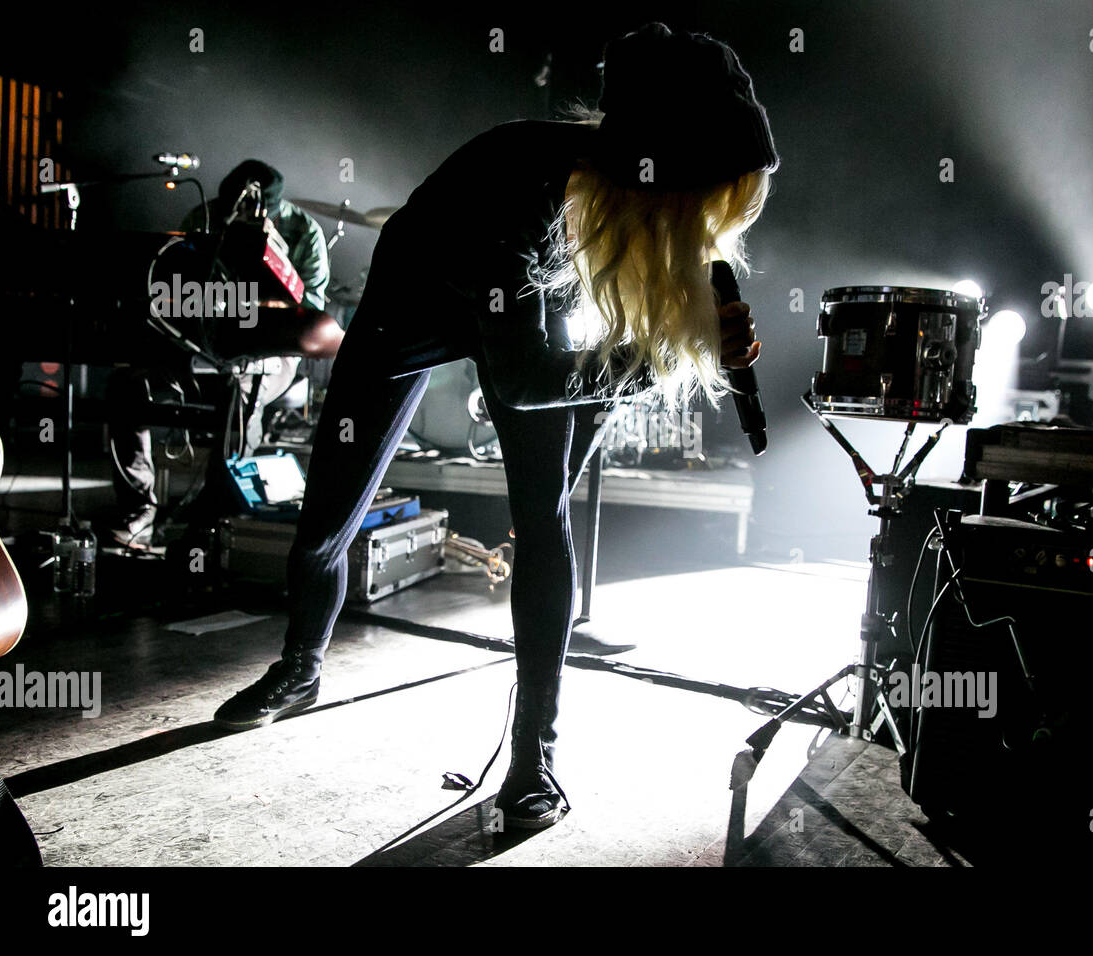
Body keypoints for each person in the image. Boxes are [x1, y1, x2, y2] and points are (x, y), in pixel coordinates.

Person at [214, 22, 778, 830]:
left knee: (542, 520)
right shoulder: (516, 180)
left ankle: (532, 759)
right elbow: (527, 377)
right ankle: (299, 669)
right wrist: (662, 358)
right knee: (326, 521)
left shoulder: (620, 188)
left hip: (520, 304)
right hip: (410, 307)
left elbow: (569, 389)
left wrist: (694, 339)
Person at [106, 160, 331, 546]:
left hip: (270, 350)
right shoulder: (204, 215)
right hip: (202, 343)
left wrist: (274, 270)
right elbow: (172, 279)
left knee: (239, 393)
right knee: (127, 387)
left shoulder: (303, 230)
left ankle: (212, 524)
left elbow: (312, 306)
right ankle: (139, 512)